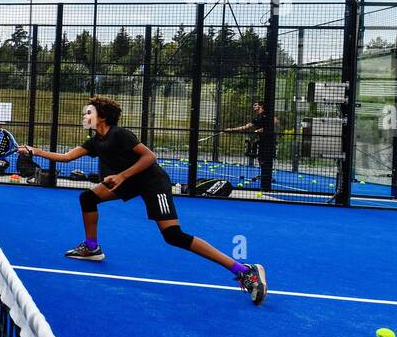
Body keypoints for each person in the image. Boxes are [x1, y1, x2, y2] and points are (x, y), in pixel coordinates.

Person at [20, 96, 267, 305]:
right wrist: (34, 151)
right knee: (88, 198)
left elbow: (150, 156)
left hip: (152, 183)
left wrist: (122, 175)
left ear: (102, 117)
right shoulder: (96, 141)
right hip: (126, 182)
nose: (85, 115)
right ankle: (92, 247)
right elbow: (65, 157)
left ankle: (244, 271)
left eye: (89, 112)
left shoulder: (121, 135)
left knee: (173, 235)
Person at [223, 100, 274, 169]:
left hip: (269, 140)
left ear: (261, 106)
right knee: (260, 158)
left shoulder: (267, 114)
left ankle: (267, 175)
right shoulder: (256, 118)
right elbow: (245, 127)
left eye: (255, 105)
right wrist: (231, 129)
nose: (254, 106)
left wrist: (263, 129)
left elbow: (275, 121)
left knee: (267, 158)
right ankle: (264, 174)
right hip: (262, 140)